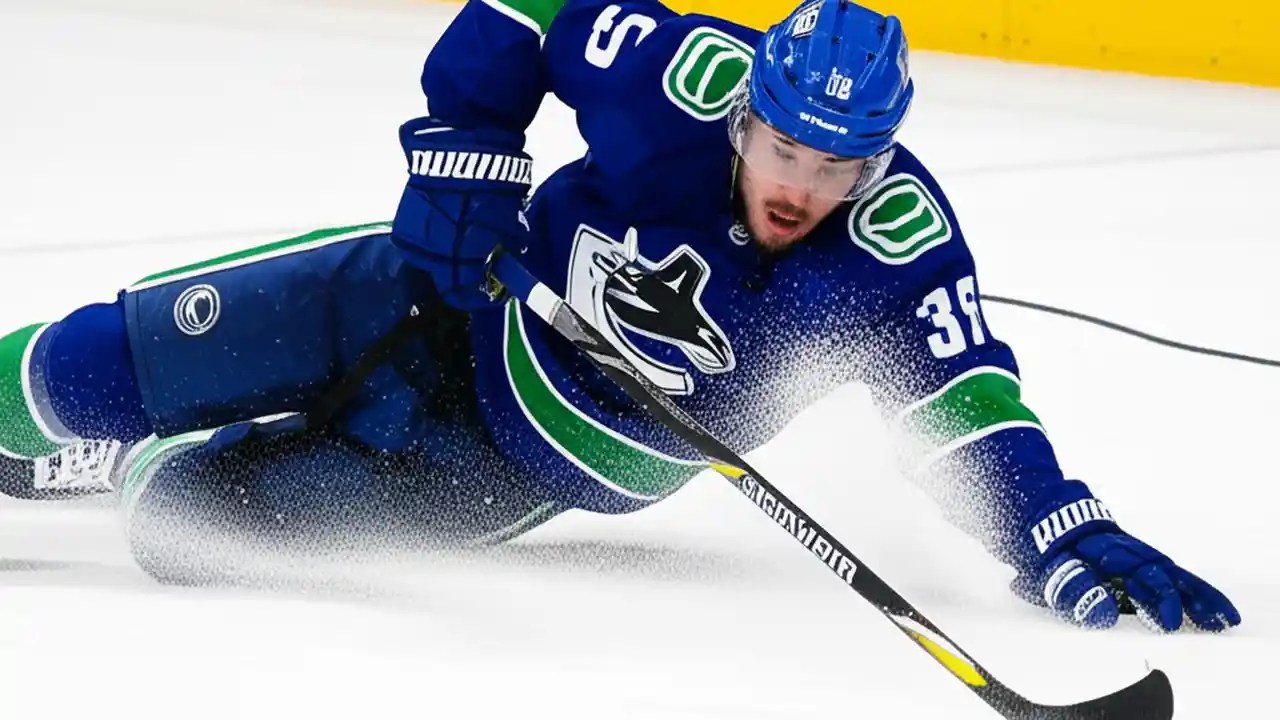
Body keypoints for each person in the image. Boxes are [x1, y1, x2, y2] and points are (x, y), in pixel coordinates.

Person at [0, 0, 1239, 633]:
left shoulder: (897, 254)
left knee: (194, 529)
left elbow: (966, 405)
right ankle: (64, 426)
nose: (803, 188)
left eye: (839, 167)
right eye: (788, 149)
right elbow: (536, 9)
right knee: (82, 365)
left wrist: (1057, 533)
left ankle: (108, 472)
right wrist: (464, 147)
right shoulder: (677, 80)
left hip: (505, 464)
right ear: (746, 111)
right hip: (437, 297)